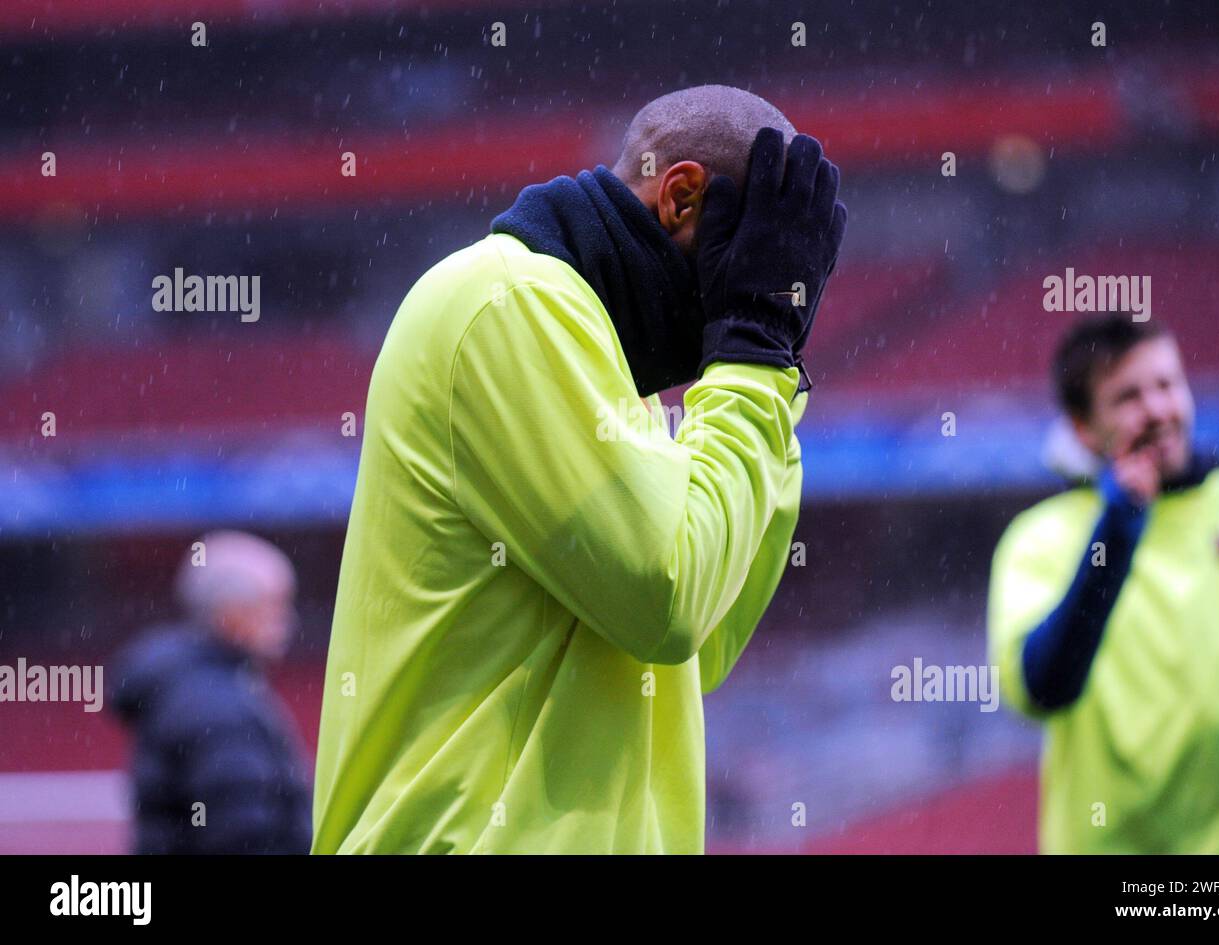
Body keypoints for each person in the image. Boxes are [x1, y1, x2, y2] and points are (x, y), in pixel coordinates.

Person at [311, 85, 847, 854]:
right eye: (750, 248)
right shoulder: (509, 302)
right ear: (681, 196)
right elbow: (667, 599)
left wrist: (774, 357)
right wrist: (755, 353)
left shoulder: (602, 365)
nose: (750, 280)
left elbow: (707, 636)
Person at [988, 315, 1219, 853]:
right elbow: (1042, 688)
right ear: (1084, 428)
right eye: (1129, 396)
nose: (1158, 410)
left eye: (1167, 385)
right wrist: (1119, 528)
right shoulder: (1041, 539)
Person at [111, 530, 312, 854]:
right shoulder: (217, 707)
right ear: (231, 613)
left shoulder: (194, 688)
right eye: (274, 604)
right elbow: (242, 834)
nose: (287, 620)